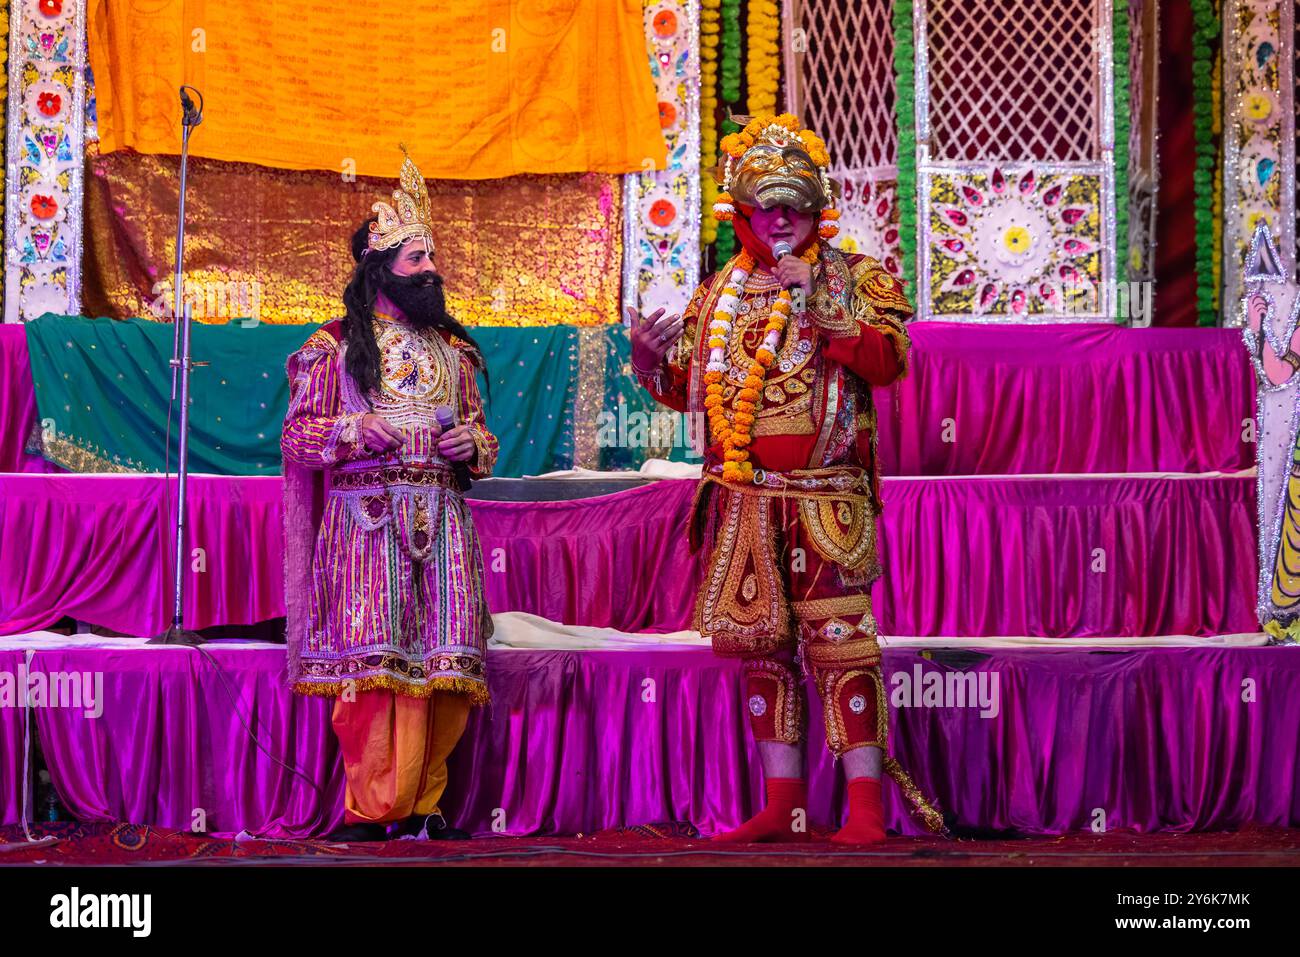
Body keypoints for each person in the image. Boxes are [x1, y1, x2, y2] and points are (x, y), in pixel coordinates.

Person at [631, 113, 944, 843]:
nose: (781, 219)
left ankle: (865, 808)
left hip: (826, 497)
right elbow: (691, 390)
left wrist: (820, 303)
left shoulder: (855, 275)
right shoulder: (718, 293)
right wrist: (647, 360)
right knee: (761, 651)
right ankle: (782, 803)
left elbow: (890, 360)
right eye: (767, 206)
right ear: (740, 213)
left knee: (841, 642)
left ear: (816, 209)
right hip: (743, 500)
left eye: (794, 205)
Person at [281, 146, 498, 842]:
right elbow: (295, 438)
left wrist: (474, 447)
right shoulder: (335, 348)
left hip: (442, 519)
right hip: (366, 522)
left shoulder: (454, 352)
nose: (431, 270)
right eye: (415, 261)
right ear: (380, 270)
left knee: (444, 667)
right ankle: (374, 808)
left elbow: (482, 438)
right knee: (374, 670)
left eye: (431, 259)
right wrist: (355, 427)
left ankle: (427, 803)